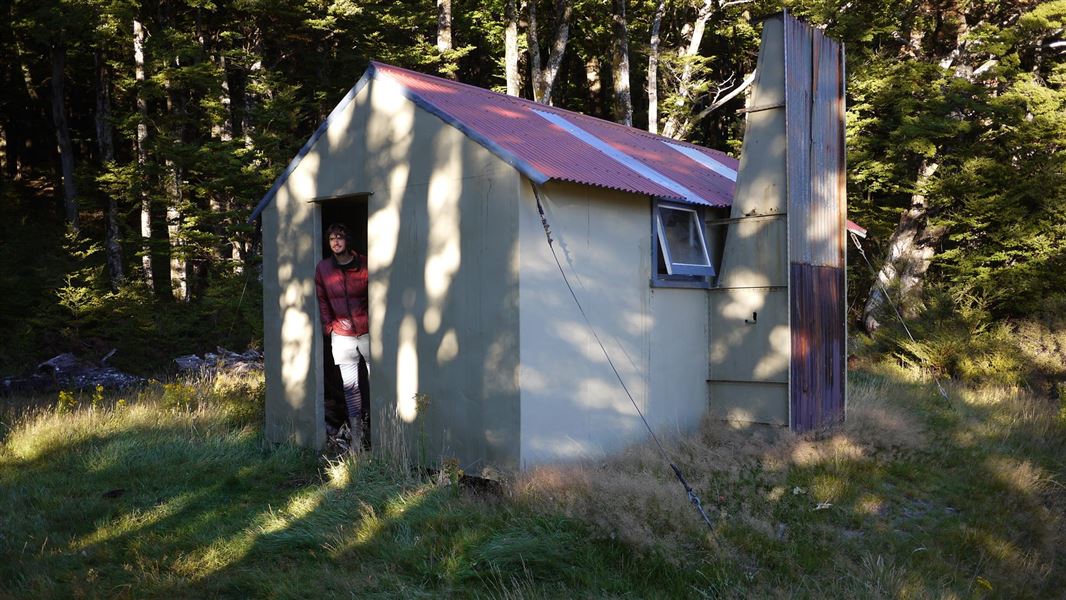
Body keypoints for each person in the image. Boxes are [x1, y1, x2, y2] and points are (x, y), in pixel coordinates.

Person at [315, 223, 369, 449]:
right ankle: (357, 440)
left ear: (347, 240)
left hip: (367, 332)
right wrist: (329, 325)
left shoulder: (364, 263)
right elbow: (322, 298)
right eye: (331, 239)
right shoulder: (324, 268)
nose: (335, 242)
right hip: (342, 335)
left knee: (377, 383)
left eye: (339, 238)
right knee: (350, 388)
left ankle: (382, 434)